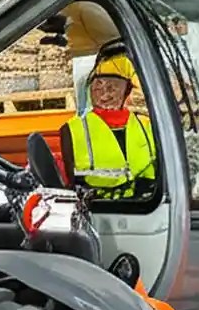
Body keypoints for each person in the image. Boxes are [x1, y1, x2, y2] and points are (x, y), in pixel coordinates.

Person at [58, 40, 159, 200]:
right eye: (100, 86)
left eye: (112, 87)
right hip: (102, 211)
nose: (106, 93)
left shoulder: (146, 124)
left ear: (126, 90)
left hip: (145, 207)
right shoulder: (72, 130)